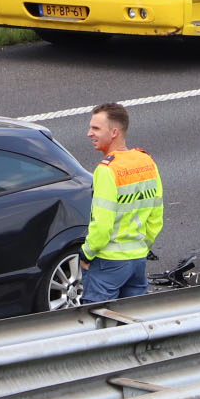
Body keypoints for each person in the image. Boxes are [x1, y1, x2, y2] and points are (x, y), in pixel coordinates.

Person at [81, 102, 164, 302]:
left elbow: (102, 225)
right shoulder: (147, 162)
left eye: (96, 128)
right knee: (134, 321)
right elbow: (156, 215)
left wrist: (86, 253)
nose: (89, 133)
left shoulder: (107, 170)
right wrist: (142, 246)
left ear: (114, 132)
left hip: (108, 263)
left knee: (98, 321)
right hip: (137, 259)